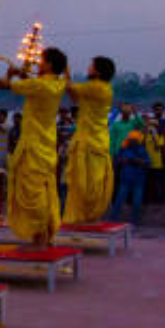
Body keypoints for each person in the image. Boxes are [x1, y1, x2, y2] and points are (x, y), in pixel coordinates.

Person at [0, 48, 68, 250]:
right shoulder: (59, 83)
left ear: (49, 65)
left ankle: (40, 240)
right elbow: (27, 84)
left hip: (33, 147)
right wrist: (19, 75)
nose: (38, 64)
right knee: (45, 192)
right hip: (47, 145)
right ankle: (45, 237)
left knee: (33, 193)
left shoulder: (39, 84)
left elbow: (5, 86)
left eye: (41, 61)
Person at [62, 57, 116, 224]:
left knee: (89, 183)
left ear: (98, 72)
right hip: (93, 140)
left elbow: (68, 87)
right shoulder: (100, 89)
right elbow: (74, 96)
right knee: (88, 181)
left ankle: (86, 216)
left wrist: (64, 72)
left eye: (90, 66)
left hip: (91, 142)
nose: (88, 69)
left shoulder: (96, 87)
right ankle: (86, 216)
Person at [108, 130, 149, 226]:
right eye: (131, 139)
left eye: (134, 140)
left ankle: (135, 221)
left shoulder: (142, 150)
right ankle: (112, 219)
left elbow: (147, 163)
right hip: (125, 178)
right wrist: (122, 161)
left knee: (137, 202)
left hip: (138, 179)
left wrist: (137, 160)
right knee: (119, 200)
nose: (132, 141)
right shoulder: (123, 149)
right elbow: (116, 161)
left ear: (138, 140)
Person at [56, 107, 76, 210]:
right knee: (62, 186)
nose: (63, 115)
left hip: (72, 158)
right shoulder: (58, 125)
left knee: (68, 186)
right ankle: (62, 211)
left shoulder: (74, 125)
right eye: (61, 113)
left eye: (65, 112)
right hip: (62, 159)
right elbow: (57, 141)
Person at [143, 117, 165, 205]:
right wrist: (146, 131)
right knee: (148, 182)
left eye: (154, 125)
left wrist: (154, 135)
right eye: (150, 125)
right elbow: (141, 143)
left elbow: (157, 146)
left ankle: (158, 200)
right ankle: (149, 199)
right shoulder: (146, 135)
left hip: (157, 163)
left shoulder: (160, 136)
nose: (151, 127)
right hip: (147, 162)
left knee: (158, 183)